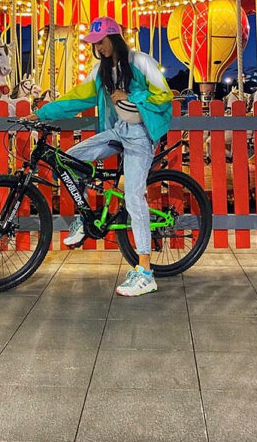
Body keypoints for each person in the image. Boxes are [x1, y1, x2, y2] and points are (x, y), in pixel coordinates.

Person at [29, 16, 173, 296]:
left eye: (101, 41)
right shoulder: (101, 71)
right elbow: (76, 98)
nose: (98, 48)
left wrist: (129, 98)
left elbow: (163, 94)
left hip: (141, 134)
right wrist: (42, 113)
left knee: (133, 197)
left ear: (114, 38)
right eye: (94, 44)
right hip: (118, 131)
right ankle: (85, 219)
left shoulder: (140, 61)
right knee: (69, 159)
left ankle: (145, 272)